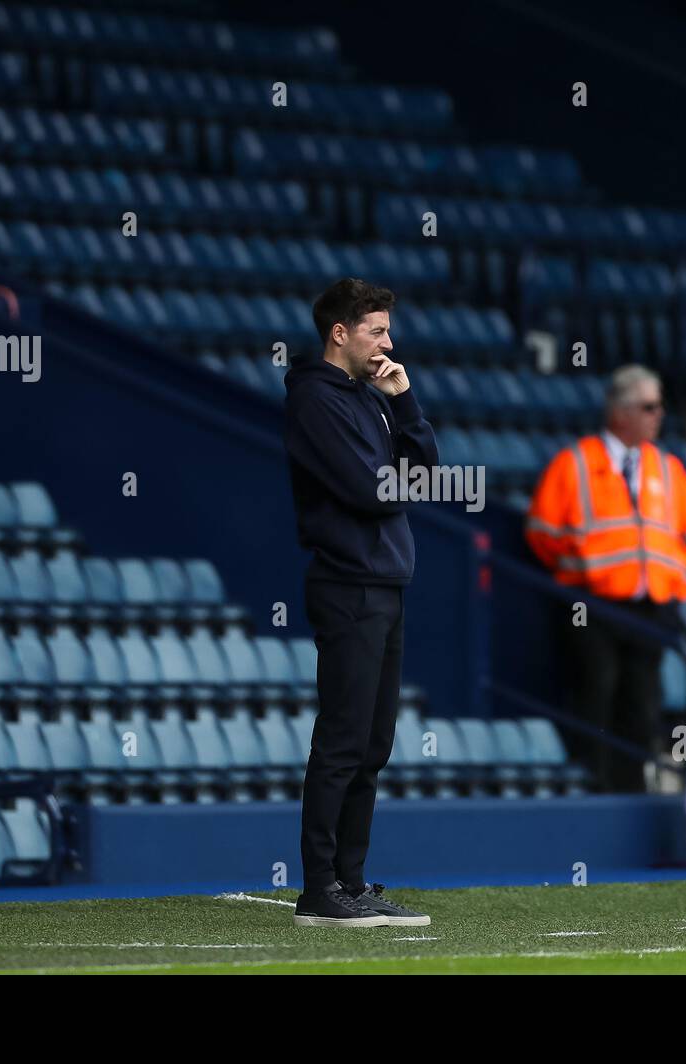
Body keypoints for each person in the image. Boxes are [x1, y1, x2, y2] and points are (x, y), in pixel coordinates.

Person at [283, 278, 438, 927]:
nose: (388, 343)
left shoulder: (371, 399)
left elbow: (423, 472)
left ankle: (351, 880)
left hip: (385, 584)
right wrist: (399, 479)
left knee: (373, 744)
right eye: (376, 330)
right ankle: (319, 888)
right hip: (348, 585)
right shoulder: (315, 400)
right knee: (343, 740)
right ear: (340, 333)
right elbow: (374, 491)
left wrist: (403, 403)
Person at [526, 365, 686, 792]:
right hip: (592, 605)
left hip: (650, 607)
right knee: (595, 695)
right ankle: (595, 791)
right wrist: (580, 568)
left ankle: (631, 791)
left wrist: (678, 578)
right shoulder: (574, 463)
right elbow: (542, 530)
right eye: (650, 406)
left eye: (660, 406)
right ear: (620, 411)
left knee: (641, 704)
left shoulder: (666, 467)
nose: (659, 415)